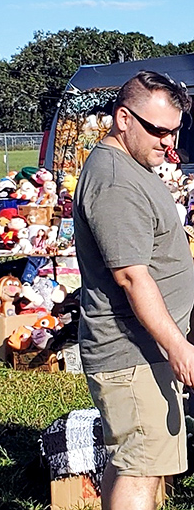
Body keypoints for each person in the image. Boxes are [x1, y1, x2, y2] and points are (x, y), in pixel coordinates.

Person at [74, 71, 194, 510]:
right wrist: (178, 347)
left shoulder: (131, 165)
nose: (169, 142)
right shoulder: (115, 180)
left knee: (138, 461)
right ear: (123, 119)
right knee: (141, 469)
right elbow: (130, 276)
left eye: (175, 131)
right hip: (131, 352)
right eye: (158, 130)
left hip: (147, 351)